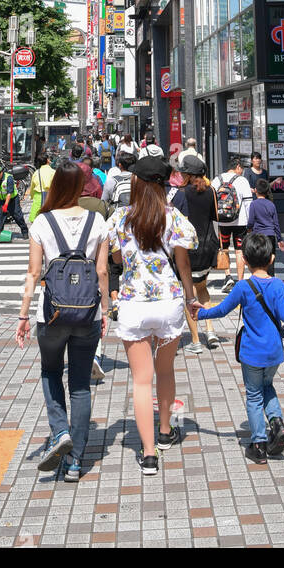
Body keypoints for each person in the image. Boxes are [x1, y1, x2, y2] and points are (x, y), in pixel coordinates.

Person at [16, 161, 110, 482]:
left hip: (51, 314)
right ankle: (75, 462)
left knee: (50, 371)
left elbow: (32, 273)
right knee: (81, 385)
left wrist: (23, 314)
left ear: (56, 186)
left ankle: (59, 433)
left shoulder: (42, 223)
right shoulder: (97, 221)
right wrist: (106, 309)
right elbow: (102, 272)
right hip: (88, 313)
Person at [105, 160, 198, 475]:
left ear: (137, 183)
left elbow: (116, 258)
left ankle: (148, 454)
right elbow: (183, 265)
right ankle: (164, 431)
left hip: (133, 303)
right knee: (166, 371)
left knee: (141, 381)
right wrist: (191, 297)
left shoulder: (121, 218)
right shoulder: (173, 217)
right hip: (168, 303)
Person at [193, 231, 284, 463]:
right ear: (272, 259)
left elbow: (222, 310)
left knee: (254, 395)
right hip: (274, 352)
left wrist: (200, 313)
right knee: (268, 386)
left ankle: (258, 444)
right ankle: (276, 423)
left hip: (251, 354)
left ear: (243, 259)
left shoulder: (243, 287)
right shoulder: (277, 284)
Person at [177, 156, 221, 354]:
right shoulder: (210, 191)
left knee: (189, 294)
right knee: (202, 289)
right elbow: (215, 217)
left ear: (187, 174)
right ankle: (210, 331)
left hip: (188, 249)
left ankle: (195, 340)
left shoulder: (181, 194)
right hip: (207, 247)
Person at [211, 155, 254, 290]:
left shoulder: (217, 180)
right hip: (240, 222)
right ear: (238, 167)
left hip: (222, 222)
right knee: (239, 251)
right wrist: (250, 223)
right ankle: (240, 281)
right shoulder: (242, 181)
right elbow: (248, 204)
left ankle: (228, 276)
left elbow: (211, 201)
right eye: (241, 168)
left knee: (224, 249)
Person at [246, 178, 284, 263]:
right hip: (270, 236)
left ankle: (259, 276)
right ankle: (270, 275)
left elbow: (251, 222)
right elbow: (276, 224)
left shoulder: (253, 204)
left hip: (258, 236)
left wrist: (248, 229)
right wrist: (279, 239)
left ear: (255, 190)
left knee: (259, 260)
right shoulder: (271, 205)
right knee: (270, 261)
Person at [0, 164, 29, 241]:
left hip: (12, 199)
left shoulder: (8, 178)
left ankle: (24, 231)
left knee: (17, 216)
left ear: (1, 173)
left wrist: (6, 205)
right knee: (0, 216)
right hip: (2, 199)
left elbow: (9, 193)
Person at [27, 151, 56, 222]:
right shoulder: (53, 172)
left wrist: (32, 195)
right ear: (48, 160)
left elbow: (32, 186)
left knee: (34, 217)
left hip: (38, 196)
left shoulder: (37, 172)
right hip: (50, 196)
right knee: (51, 218)